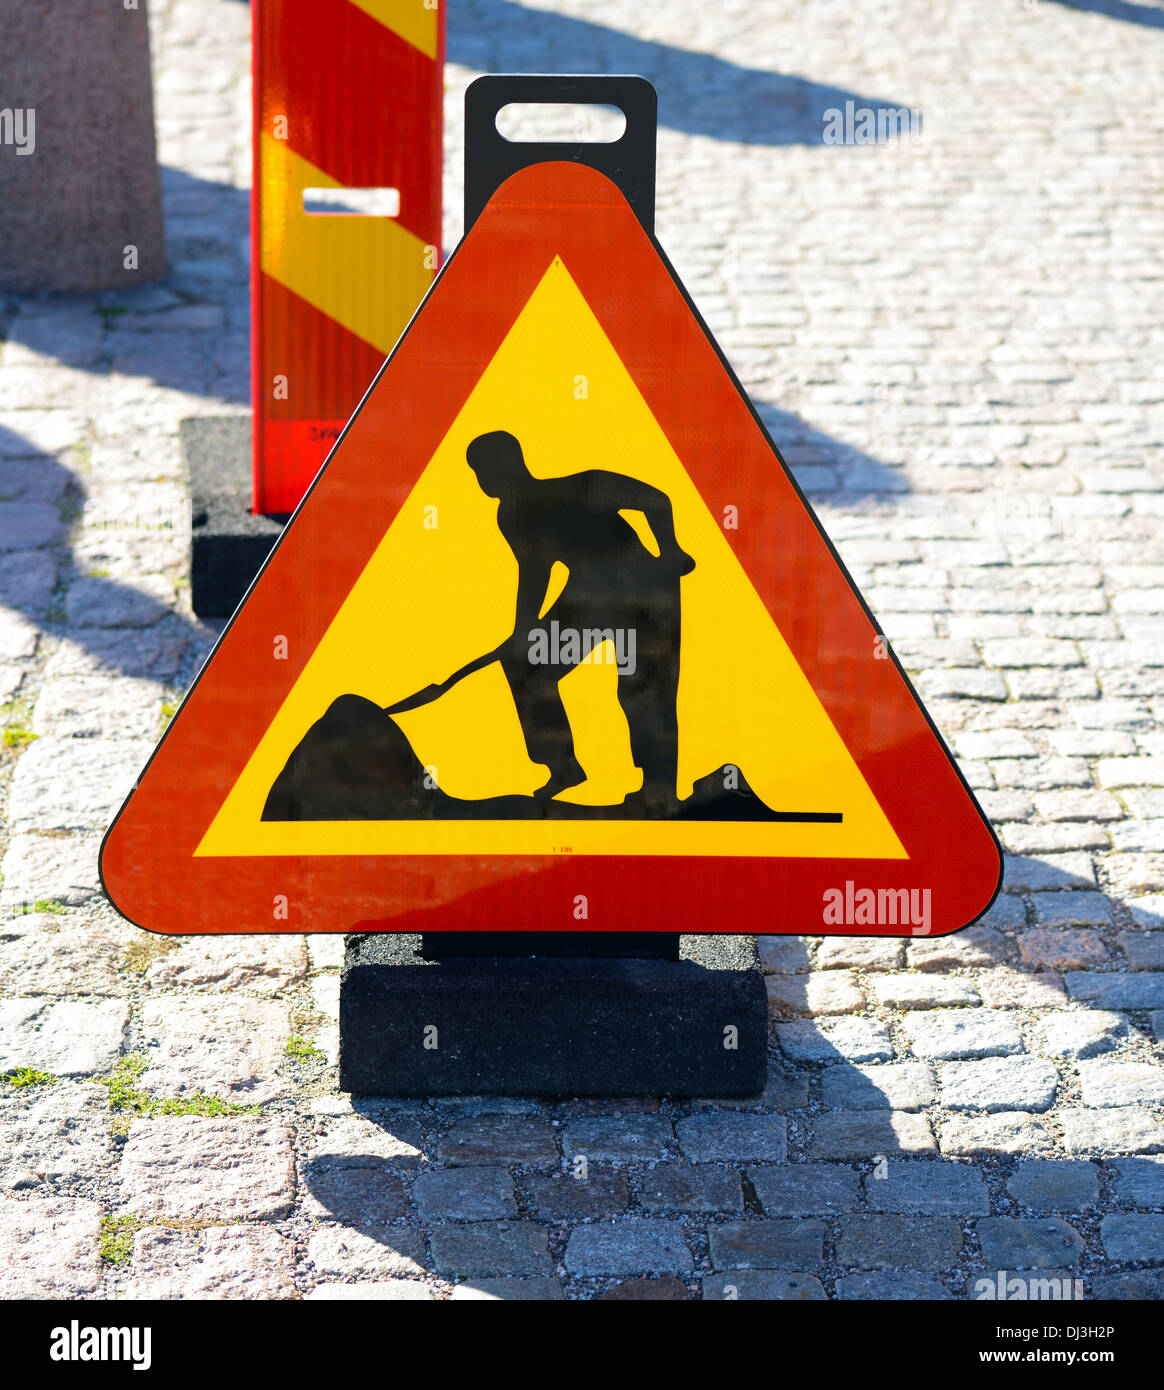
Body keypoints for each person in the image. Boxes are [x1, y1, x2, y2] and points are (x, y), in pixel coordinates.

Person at [466, 430, 695, 804]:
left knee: (643, 687)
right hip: (586, 601)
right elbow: (535, 572)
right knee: (526, 667)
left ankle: (658, 788)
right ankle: (563, 765)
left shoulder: (582, 487)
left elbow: (656, 499)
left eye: (486, 469)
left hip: (642, 594)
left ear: (512, 463)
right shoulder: (510, 515)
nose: (483, 480)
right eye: (478, 472)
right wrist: (524, 629)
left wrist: (669, 551)